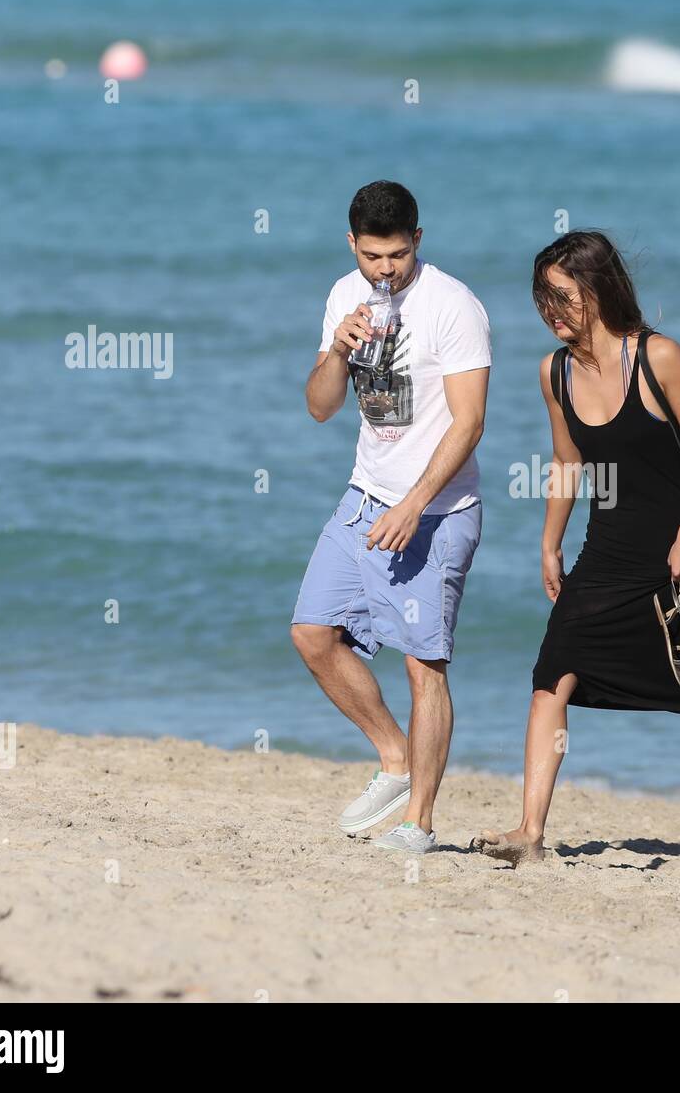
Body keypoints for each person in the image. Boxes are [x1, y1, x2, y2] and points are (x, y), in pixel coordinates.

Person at [473, 230, 680, 877]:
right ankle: (530, 831)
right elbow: (567, 462)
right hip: (605, 557)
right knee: (550, 680)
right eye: (542, 297)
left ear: (597, 291)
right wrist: (549, 542)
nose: (550, 309)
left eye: (562, 295)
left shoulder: (661, 358)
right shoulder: (555, 372)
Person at [292, 181, 491, 855]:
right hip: (363, 498)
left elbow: (470, 423)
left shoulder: (453, 305)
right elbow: (320, 407)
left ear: (419, 242)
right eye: (373, 256)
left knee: (422, 667)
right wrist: (337, 353)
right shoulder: (344, 297)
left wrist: (414, 505)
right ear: (352, 244)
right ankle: (395, 760)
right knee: (313, 634)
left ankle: (420, 825)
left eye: (398, 255)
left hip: (436, 513)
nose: (385, 269)